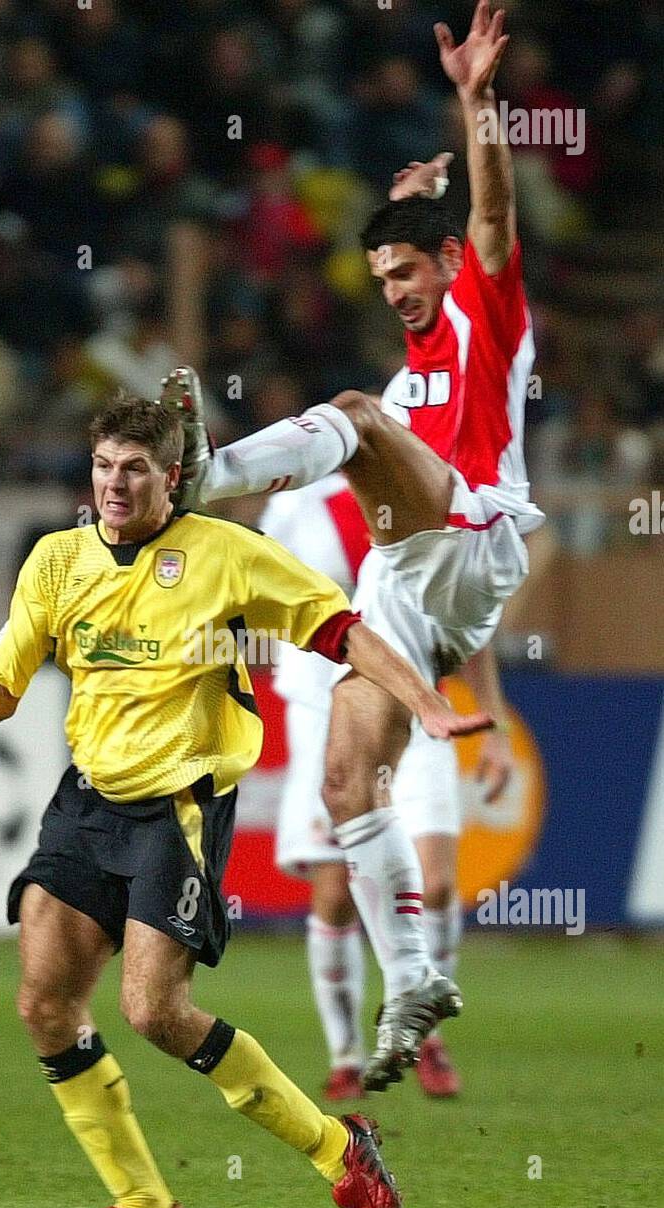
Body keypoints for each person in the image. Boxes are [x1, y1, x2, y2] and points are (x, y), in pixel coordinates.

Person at [0, 396, 490, 1208]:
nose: (115, 485)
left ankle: (341, 1152)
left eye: (135, 470)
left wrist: (425, 704)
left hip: (178, 807)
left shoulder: (226, 553)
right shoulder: (54, 561)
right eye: (104, 467)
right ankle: (145, 1200)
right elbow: (2, 689)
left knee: (153, 1010)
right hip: (86, 802)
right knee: (45, 1002)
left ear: (172, 476)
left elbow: (345, 630)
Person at [159, 1, 543, 1090]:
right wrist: (407, 206)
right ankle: (414, 979)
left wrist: (476, 108)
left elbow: (498, 219)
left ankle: (207, 472)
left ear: (445, 264)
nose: (396, 293)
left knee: (353, 413)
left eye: (408, 274)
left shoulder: (488, 314)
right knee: (343, 779)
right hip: (408, 581)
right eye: (381, 281)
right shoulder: (412, 367)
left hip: (471, 533)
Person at [261, 476, 514, 1101]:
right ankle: (345, 1054)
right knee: (335, 895)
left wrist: (497, 729)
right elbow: (251, 588)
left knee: (441, 879)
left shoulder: (434, 499)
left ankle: (426, 1033)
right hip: (326, 706)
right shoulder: (296, 506)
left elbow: (471, 627)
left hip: (415, 699)